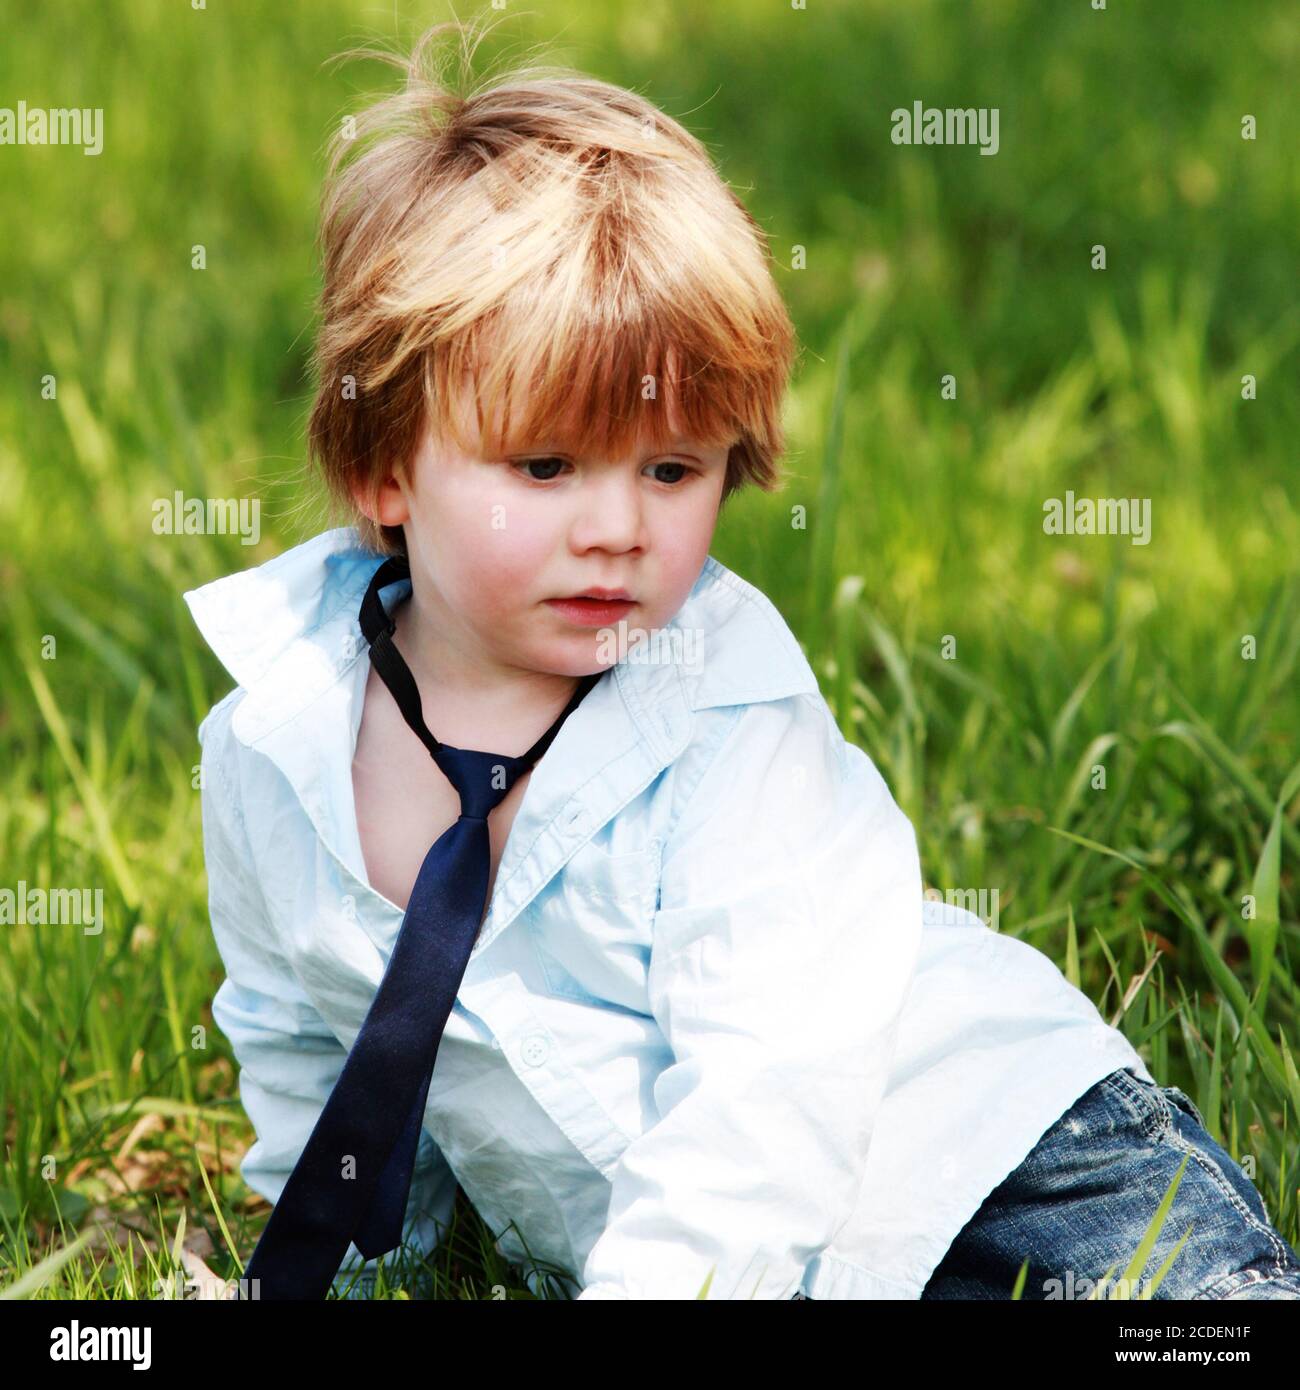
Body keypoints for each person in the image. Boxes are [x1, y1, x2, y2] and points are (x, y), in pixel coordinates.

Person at [185, 18, 1300, 1300]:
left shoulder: (725, 718)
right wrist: (341, 1259)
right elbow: (305, 1042)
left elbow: (765, 1098)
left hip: (1004, 1159)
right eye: (543, 467)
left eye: (672, 470)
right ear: (385, 466)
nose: (617, 526)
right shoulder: (276, 743)